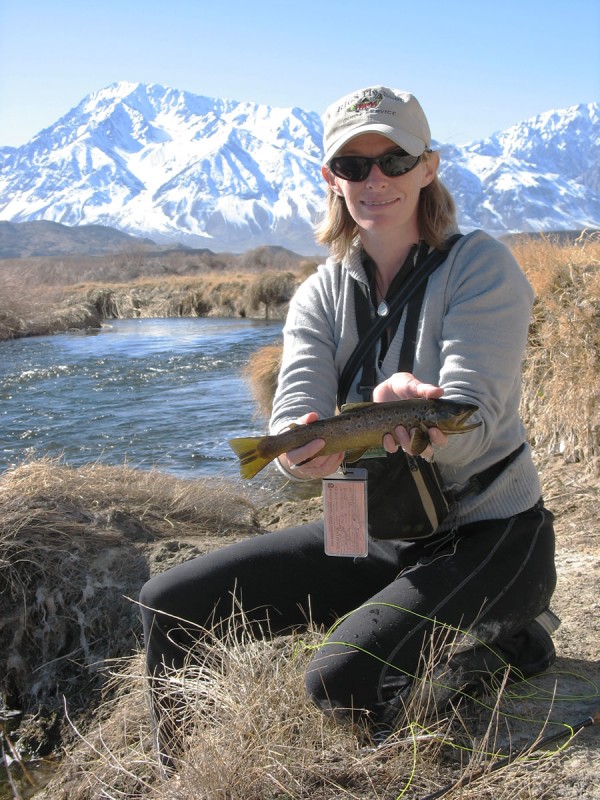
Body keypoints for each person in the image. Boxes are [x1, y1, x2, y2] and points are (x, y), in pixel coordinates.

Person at [140, 85, 558, 765]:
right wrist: (296, 455)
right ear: (331, 178)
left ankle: (513, 640)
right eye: (354, 165)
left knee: (339, 679)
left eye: (395, 160)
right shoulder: (319, 293)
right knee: (167, 604)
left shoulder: (482, 267)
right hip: (372, 529)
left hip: (488, 535)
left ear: (428, 166)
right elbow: (293, 413)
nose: (375, 180)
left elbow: (475, 421)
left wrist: (425, 416)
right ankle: (182, 774)